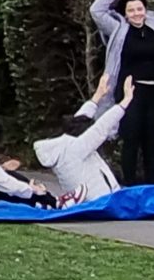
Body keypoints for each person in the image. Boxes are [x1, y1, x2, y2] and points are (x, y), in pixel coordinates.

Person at [89, 0, 154, 183]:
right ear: (125, 14)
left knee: (152, 143)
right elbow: (96, 10)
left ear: (145, 10)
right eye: (131, 10)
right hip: (129, 93)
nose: (137, 13)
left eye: (140, 9)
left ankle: (152, 186)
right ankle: (129, 186)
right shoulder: (118, 28)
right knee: (130, 140)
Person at [31, 77, 133, 205]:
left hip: (90, 202)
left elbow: (79, 119)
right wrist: (125, 101)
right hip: (101, 203)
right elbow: (102, 127)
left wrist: (98, 95)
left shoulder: (64, 144)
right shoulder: (77, 148)